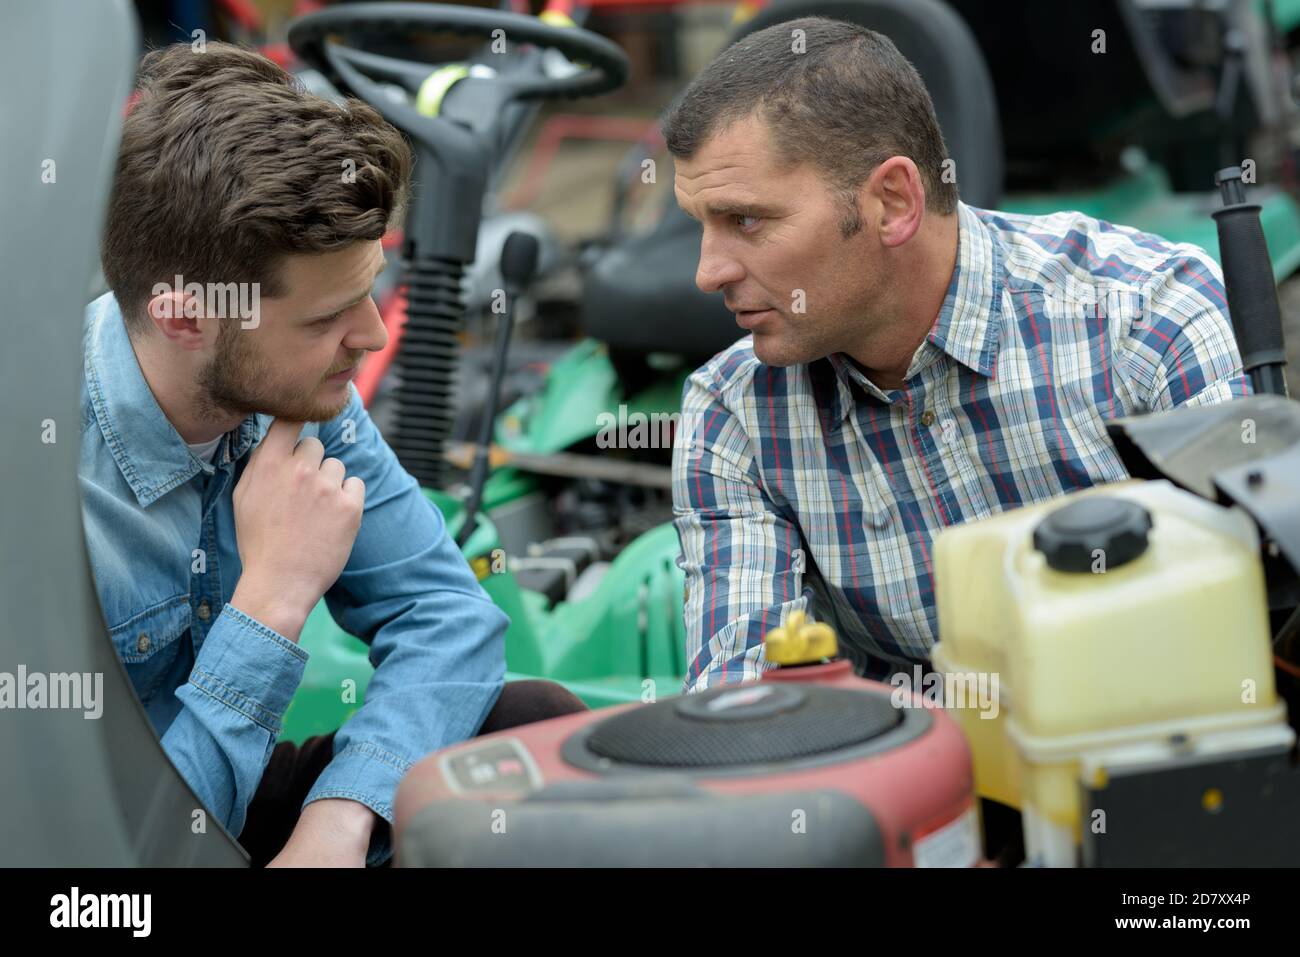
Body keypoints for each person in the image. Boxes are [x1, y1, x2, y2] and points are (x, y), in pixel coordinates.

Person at [80, 41, 584, 868]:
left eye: (368, 293)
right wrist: (273, 600)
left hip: (235, 790)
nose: (374, 337)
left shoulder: (295, 395)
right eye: (325, 320)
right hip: (114, 844)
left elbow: (448, 617)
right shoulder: (43, 482)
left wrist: (341, 819)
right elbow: (124, 844)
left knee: (536, 732)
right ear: (184, 317)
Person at [665, 17, 1251, 692]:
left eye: (745, 220)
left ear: (892, 202)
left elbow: (1244, 625)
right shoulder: (732, 416)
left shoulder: (1147, 316)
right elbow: (743, 709)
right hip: (913, 784)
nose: (707, 273)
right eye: (701, 225)